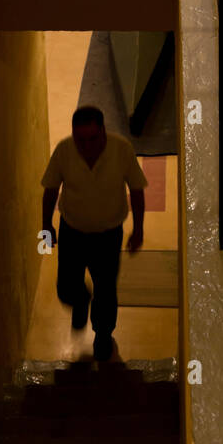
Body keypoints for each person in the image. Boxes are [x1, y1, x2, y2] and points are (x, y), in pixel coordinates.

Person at [41, 105, 148, 362]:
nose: (86, 146)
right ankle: (80, 300)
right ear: (73, 135)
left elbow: (136, 189)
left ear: (103, 132)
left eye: (92, 139)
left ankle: (103, 335)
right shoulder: (64, 151)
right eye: (81, 140)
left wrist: (139, 228)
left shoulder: (121, 149)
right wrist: (46, 226)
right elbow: (51, 189)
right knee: (66, 287)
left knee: (106, 289)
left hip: (108, 236)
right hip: (72, 232)